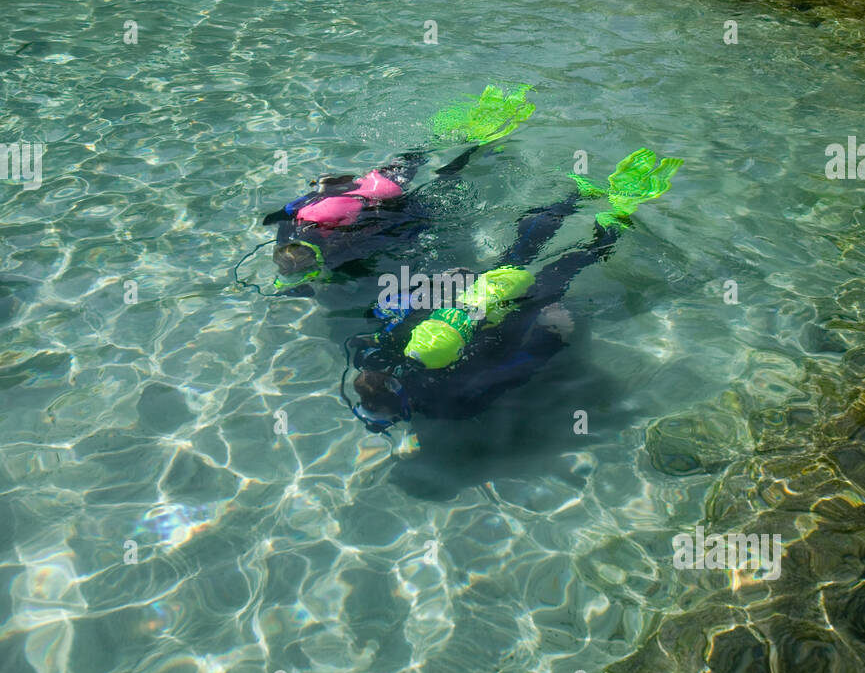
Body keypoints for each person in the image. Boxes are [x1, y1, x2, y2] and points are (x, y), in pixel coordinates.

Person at [344, 149, 682, 430]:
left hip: (504, 317)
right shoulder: (382, 353)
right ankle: (580, 197)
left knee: (560, 266)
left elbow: (511, 372)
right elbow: (392, 309)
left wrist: (550, 337)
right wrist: (436, 286)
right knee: (524, 250)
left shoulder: (447, 403)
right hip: (475, 299)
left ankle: (610, 215)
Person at [237, 85, 536, 297]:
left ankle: (482, 147)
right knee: (419, 153)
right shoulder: (289, 232)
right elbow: (288, 213)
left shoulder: (334, 253)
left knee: (448, 179)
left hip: (385, 198)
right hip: (369, 184)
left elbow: (379, 236)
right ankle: (455, 132)